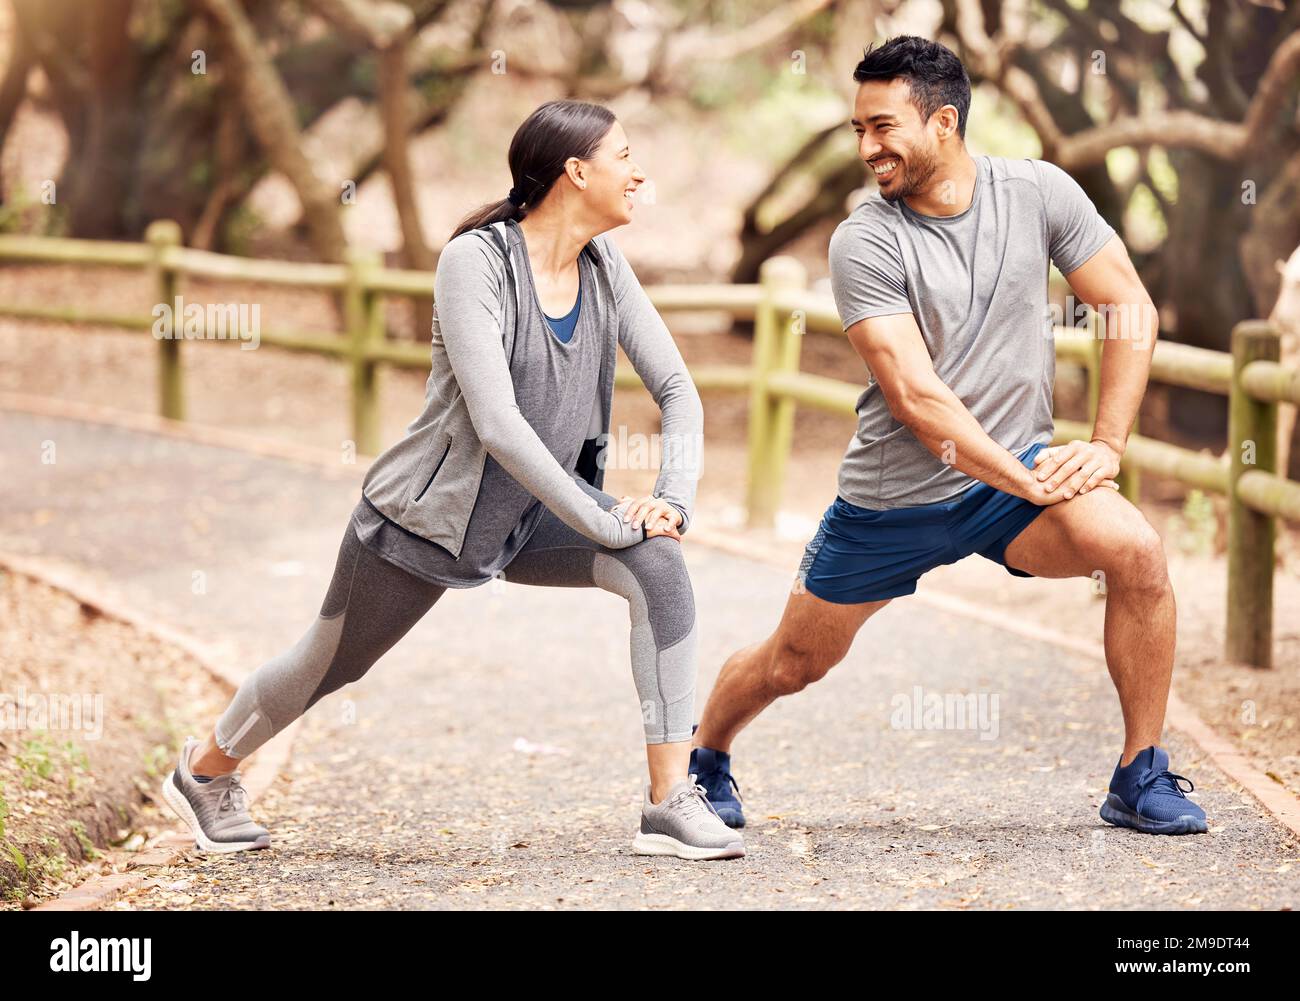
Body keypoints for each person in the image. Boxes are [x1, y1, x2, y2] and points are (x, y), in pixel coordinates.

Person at [162, 99, 743, 861]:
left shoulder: (605, 267)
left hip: (537, 514)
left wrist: (670, 500)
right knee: (328, 663)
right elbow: (499, 425)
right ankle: (206, 771)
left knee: (658, 565)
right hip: (426, 520)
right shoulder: (474, 263)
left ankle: (668, 802)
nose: (640, 172)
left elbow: (678, 390)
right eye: (625, 155)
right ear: (575, 171)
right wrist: (606, 520)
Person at [689, 36, 1207, 837]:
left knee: (1137, 553)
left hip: (1016, 482)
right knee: (794, 661)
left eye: (882, 126)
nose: (867, 148)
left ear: (945, 122)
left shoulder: (1038, 193)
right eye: (857, 129)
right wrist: (1023, 477)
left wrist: (1106, 445)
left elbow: (1128, 305)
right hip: (896, 499)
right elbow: (915, 396)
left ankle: (1140, 772)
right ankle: (707, 753)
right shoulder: (866, 239)